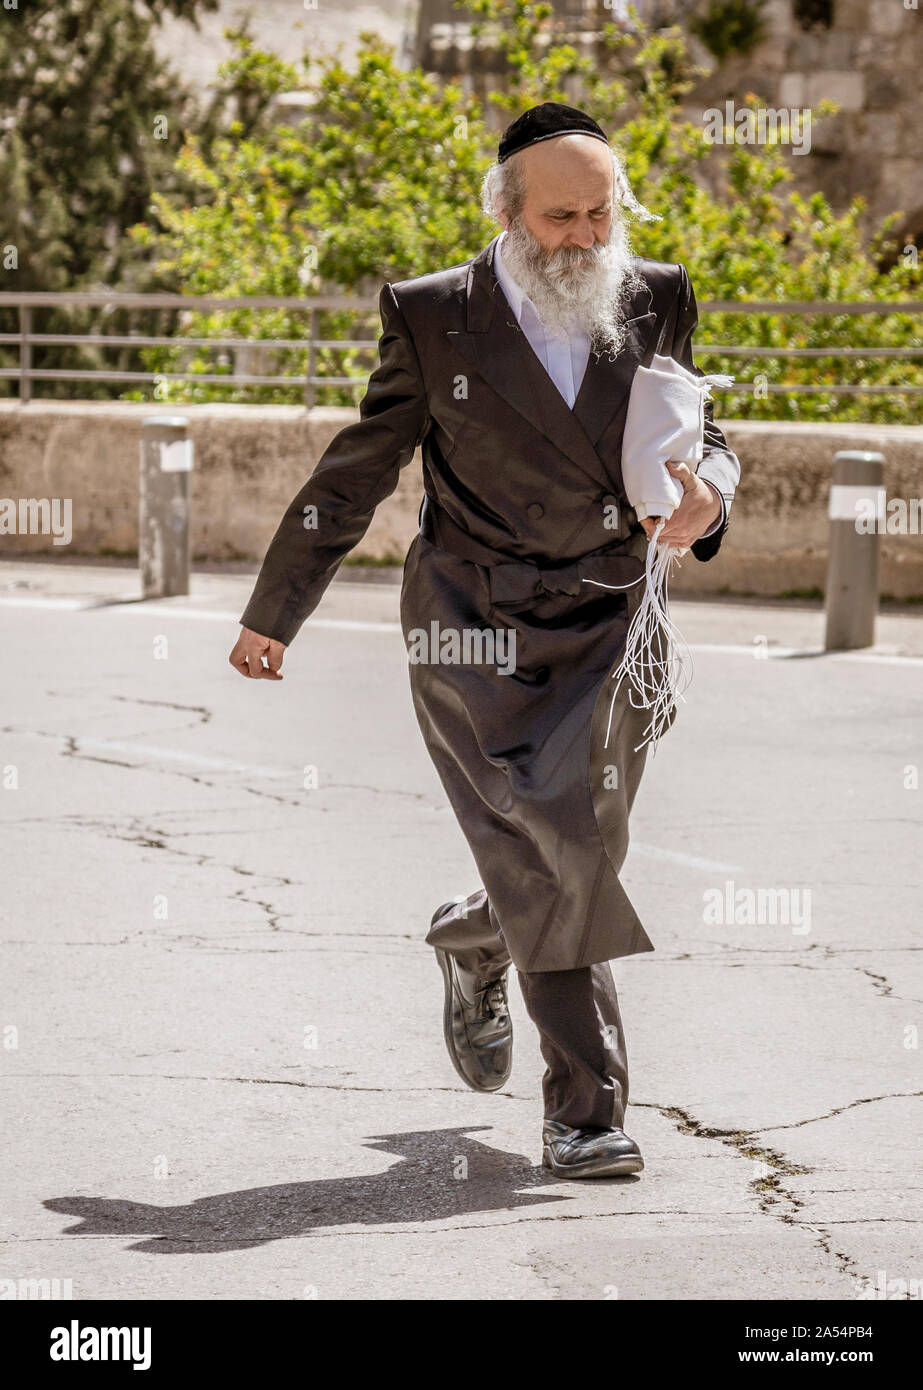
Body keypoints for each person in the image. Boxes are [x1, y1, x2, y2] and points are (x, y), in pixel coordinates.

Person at [229, 102, 741, 1178]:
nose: (588, 237)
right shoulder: (431, 316)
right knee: (555, 848)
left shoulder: (655, 296)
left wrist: (708, 498)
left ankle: (477, 931)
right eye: (562, 216)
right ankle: (584, 1110)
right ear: (506, 210)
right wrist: (274, 612)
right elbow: (356, 471)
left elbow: (702, 436)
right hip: (474, 625)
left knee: (580, 846)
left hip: (614, 618)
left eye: (602, 213)